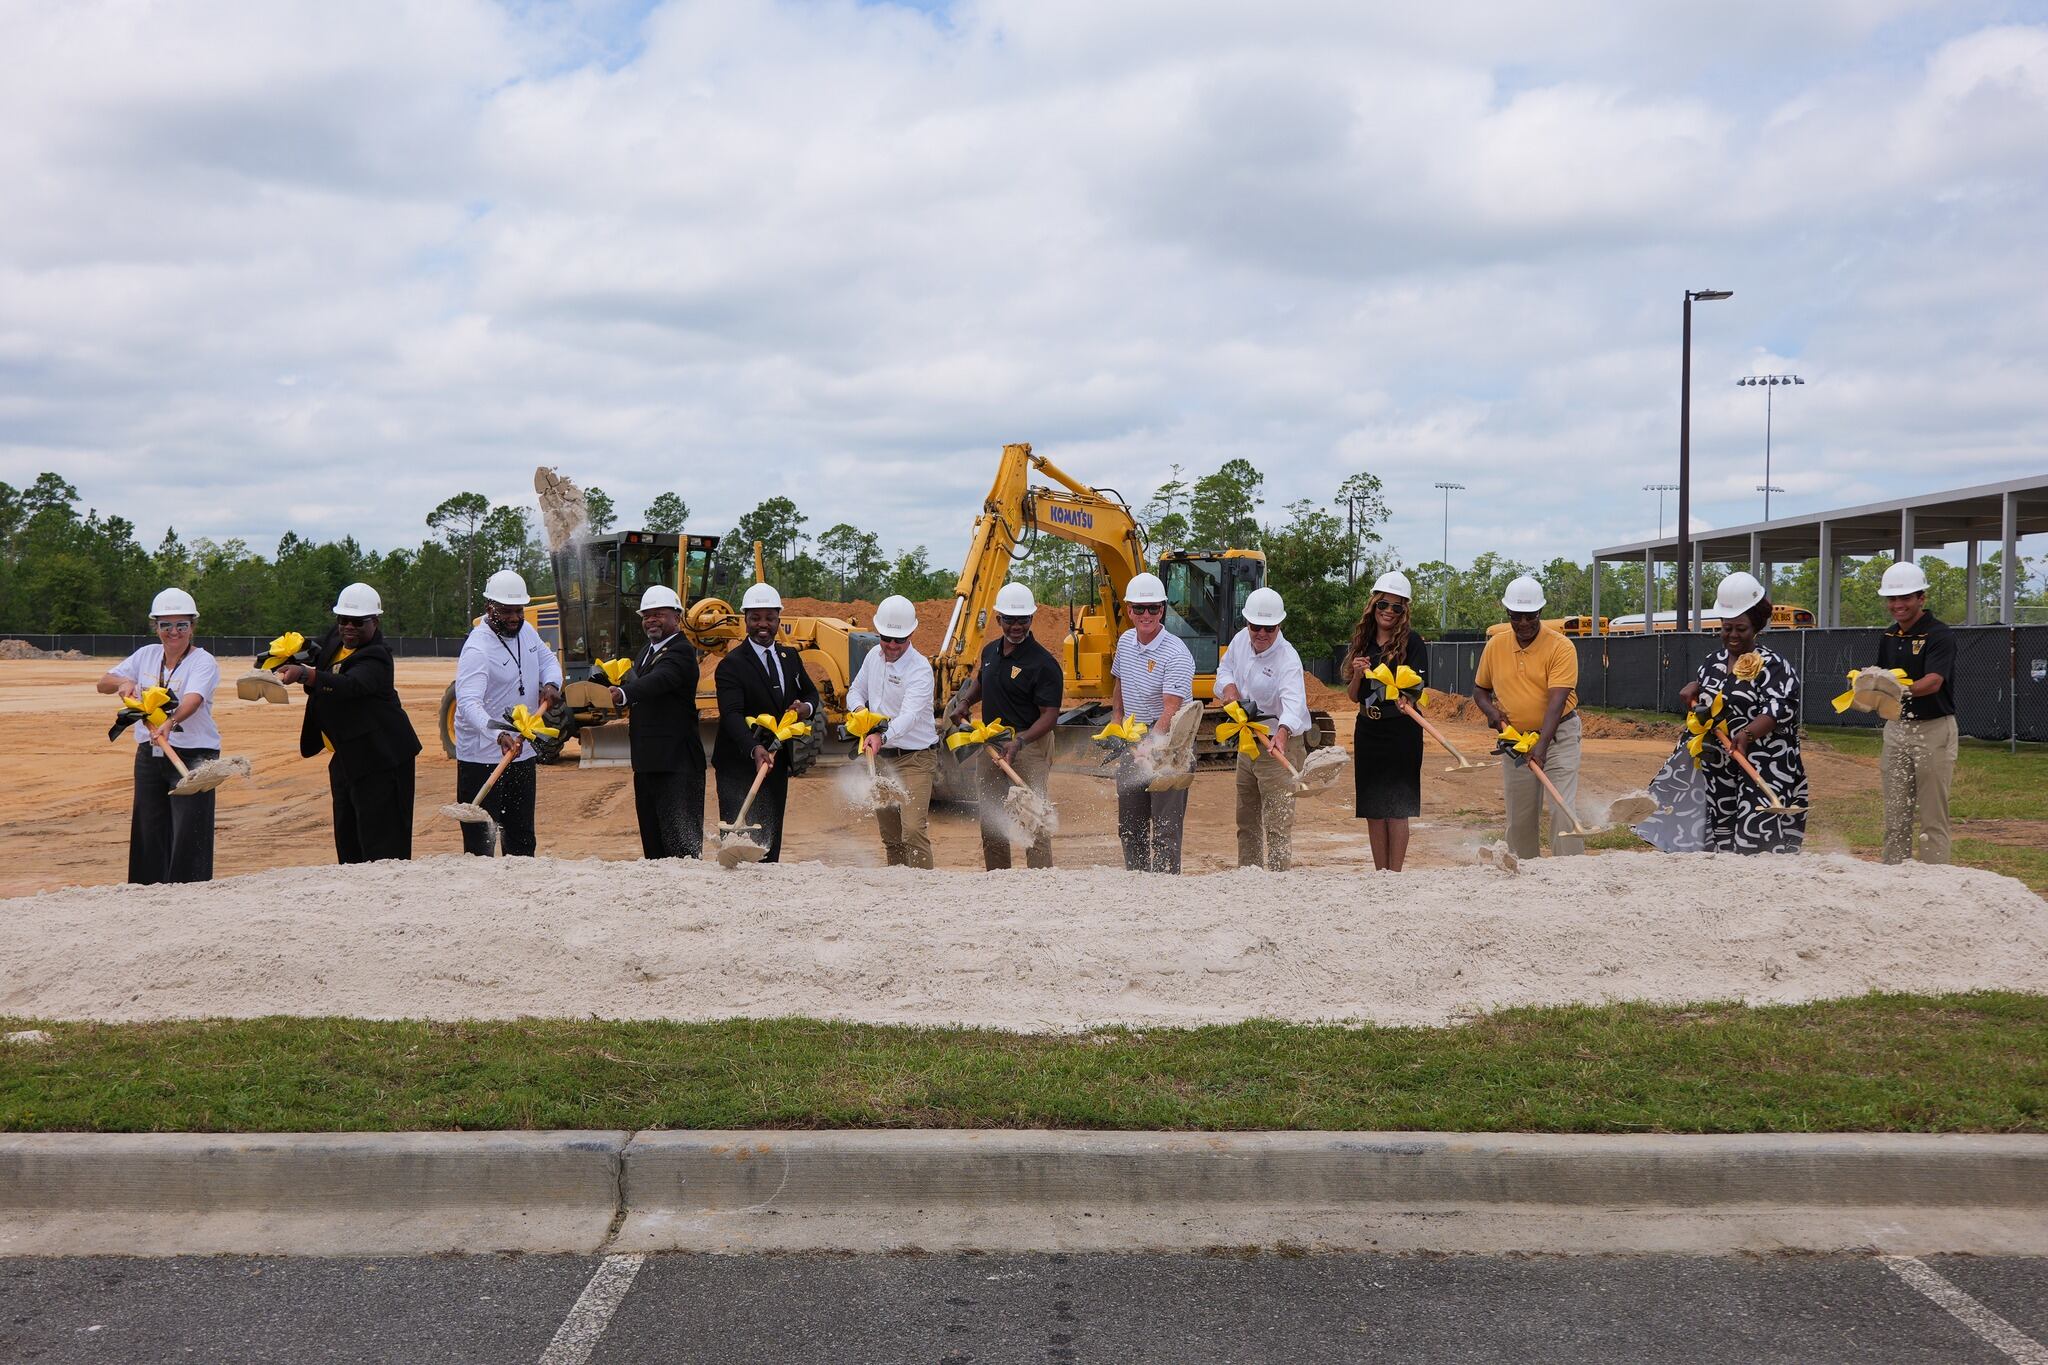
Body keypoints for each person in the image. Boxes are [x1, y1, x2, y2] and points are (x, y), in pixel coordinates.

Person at [1637, 573, 1808, 854]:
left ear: (1756, 626)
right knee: (1719, 834)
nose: (1732, 635)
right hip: (1718, 765)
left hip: (1763, 763)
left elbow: (1779, 708)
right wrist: (1695, 688)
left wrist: (1747, 735)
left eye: (1740, 628)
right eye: (1727, 628)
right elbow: (1707, 703)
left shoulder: (1773, 665)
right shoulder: (1712, 663)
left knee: (1756, 836)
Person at [274, 582, 421, 863]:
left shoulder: (377, 657)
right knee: (348, 834)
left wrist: (306, 675)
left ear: (375, 622)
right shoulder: (336, 639)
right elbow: (317, 653)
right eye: (343, 620)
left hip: (382, 758)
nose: (349, 627)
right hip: (348, 753)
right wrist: (285, 656)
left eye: (358, 622)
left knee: (382, 842)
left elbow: (350, 685)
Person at [97, 588, 222, 884]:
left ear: (192, 627)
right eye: (166, 625)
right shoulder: (146, 655)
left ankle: (189, 890)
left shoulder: (203, 661)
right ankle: (147, 890)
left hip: (194, 754)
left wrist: (171, 722)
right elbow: (103, 683)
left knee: (190, 828)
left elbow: (193, 699)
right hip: (150, 753)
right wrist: (124, 681)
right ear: (156, 627)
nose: (173, 632)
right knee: (149, 825)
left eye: (181, 625)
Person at [945, 581, 1062, 870]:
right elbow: (982, 683)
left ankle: (1041, 881)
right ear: (999, 619)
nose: (1016, 627)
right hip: (992, 744)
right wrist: (965, 702)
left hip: (1029, 745)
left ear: (1031, 618)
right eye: (1010, 620)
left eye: (1023, 620)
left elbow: (1050, 715)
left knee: (1033, 817)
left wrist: (1019, 741)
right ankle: (997, 880)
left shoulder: (1043, 664)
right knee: (991, 819)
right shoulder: (990, 652)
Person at [451, 569, 563, 857]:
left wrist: (552, 683)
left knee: (521, 835)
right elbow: (468, 703)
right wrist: (498, 734)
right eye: (506, 611)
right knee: (481, 842)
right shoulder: (478, 648)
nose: (514, 618)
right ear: (490, 608)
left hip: (521, 751)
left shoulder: (527, 632)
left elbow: (548, 661)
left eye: (518, 610)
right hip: (482, 758)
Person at [1473, 575, 1583, 860]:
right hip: (1516, 741)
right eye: (1516, 616)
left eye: (1530, 616)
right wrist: (1493, 713)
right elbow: (1480, 690)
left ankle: (1571, 872)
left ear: (1540, 612)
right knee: (1519, 818)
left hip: (1558, 737)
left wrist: (1542, 747)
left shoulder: (1561, 647)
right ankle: (1523, 873)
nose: (1523, 623)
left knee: (1562, 809)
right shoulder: (1496, 645)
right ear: (1508, 613)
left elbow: (1557, 702)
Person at [711, 582, 820, 863]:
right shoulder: (731, 665)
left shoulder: (789, 658)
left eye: (770, 618)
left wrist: (805, 708)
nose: (763, 624)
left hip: (776, 763)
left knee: (770, 839)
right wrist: (754, 748)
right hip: (739, 764)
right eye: (756, 618)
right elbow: (731, 714)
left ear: (778, 620)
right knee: (738, 843)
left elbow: (811, 693)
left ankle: (769, 880)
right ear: (745, 620)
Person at [1214, 586, 1312, 871]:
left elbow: (1294, 703)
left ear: (1279, 626)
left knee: (1277, 823)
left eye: (1269, 628)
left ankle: (1279, 881)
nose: (1261, 634)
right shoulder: (1239, 641)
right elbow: (1224, 670)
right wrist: (1228, 688)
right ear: (1247, 623)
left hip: (1278, 746)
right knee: (1246, 820)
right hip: (1249, 743)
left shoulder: (1287, 659)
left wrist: (1282, 732)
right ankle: (1250, 876)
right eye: (1255, 626)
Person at [1107, 572, 1199, 873]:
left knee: (1165, 828)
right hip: (1135, 735)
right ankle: (1137, 882)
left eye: (1153, 608)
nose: (1146, 614)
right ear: (1129, 610)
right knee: (1130, 826)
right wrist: (1117, 722)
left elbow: (1171, 709)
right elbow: (1119, 682)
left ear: (1162, 610)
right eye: (1139, 608)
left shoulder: (1176, 653)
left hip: (1170, 742)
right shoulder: (1125, 641)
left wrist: (1149, 745)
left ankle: (1164, 888)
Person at [607, 585, 706, 859]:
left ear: (676, 617)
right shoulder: (646, 652)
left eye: (659, 614)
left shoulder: (682, 651)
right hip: (648, 762)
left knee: (681, 847)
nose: (651, 620)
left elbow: (660, 680)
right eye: (646, 615)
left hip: (677, 764)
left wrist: (624, 694)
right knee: (653, 846)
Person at [1344, 570, 1430, 871]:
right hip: (1368, 730)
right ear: (1374, 605)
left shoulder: (1413, 643)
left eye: (1397, 606)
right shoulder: (1363, 642)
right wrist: (1358, 674)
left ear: (1404, 610)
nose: (1389, 612)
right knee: (1374, 809)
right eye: (1383, 604)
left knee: (1396, 808)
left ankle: (1395, 876)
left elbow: (1417, 689)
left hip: (1401, 732)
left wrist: (1406, 698)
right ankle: (1380, 875)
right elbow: (1353, 696)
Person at [845, 594, 938, 868]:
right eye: (887, 638)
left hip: (916, 759)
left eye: (900, 639)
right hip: (882, 758)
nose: (893, 645)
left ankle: (924, 885)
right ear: (878, 633)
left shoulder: (920, 669)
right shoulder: (872, 657)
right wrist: (860, 713)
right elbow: (855, 691)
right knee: (891, 836)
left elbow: (909, 716)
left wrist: (881, 735)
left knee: (913, 831)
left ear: (911, 634)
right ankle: (898, 883)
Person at [1875, 561, 1958, 865]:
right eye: (1892, 599)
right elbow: (1881, 677)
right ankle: (1894, 876)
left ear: (1921, 598)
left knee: (1933, 815)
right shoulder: (1889, 636)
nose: (1898, 605)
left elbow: (1933, 682)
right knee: (1895, 814)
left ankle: (1934, 879)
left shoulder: (1939, 635)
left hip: (1933, 729)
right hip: (1897, 728)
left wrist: (1895, 690)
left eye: (1905, 597)